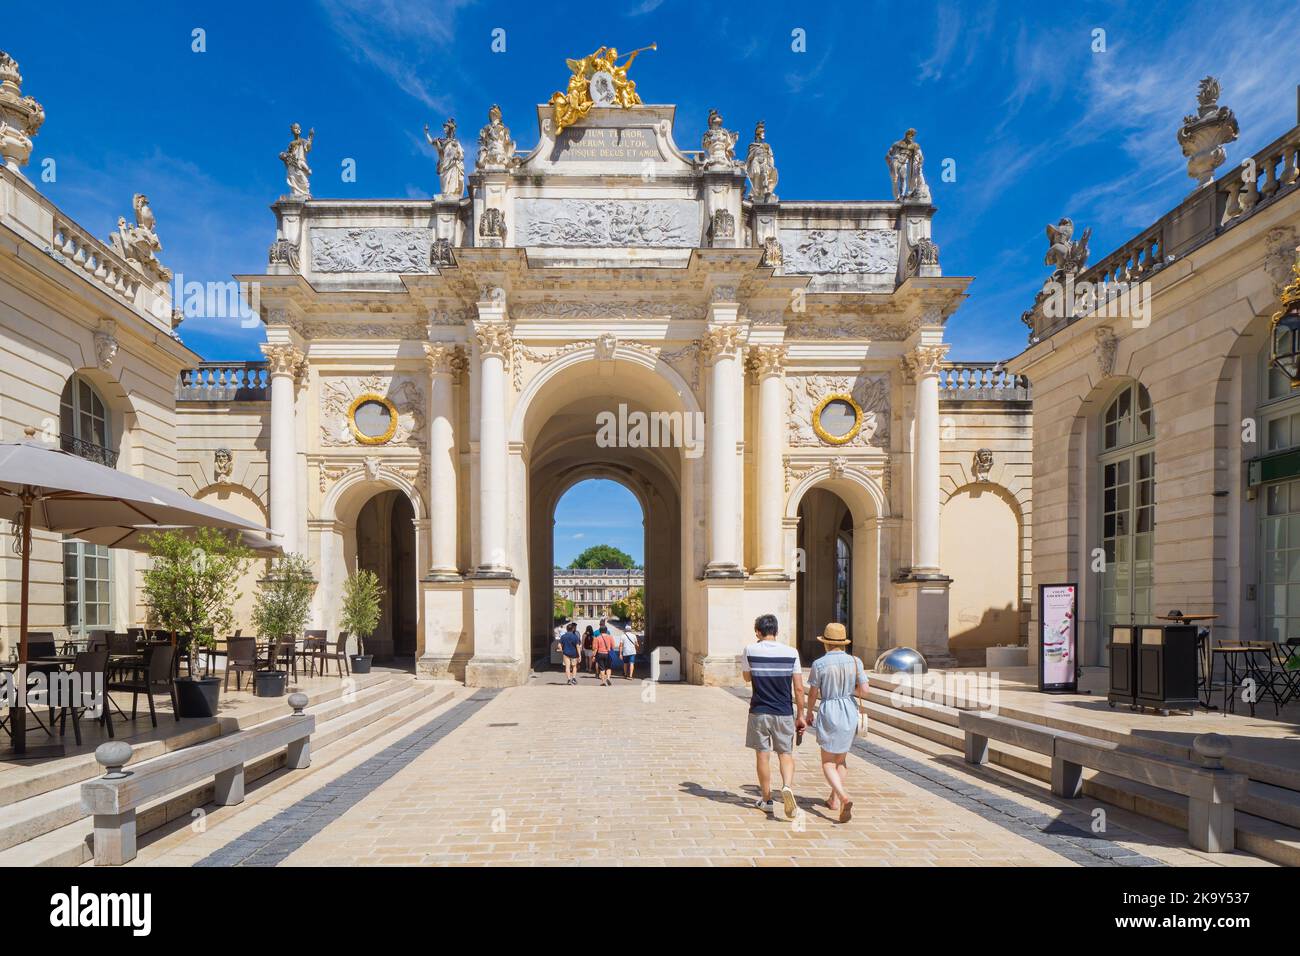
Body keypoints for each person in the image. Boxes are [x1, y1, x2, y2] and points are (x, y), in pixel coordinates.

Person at [800, 622, 869, 823]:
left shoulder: (819, 664)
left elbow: (813, 692)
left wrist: (809, 712)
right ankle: (833, 799)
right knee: (841, 760)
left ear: (826, 643)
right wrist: (847, 691)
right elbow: (865, 691)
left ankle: (842, 796)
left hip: (829, 709)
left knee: (828, 761)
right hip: (849, 709)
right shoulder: (856, 661)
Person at [741, 613, 804, 819]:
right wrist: (801, 714)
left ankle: (766, 799)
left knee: (762, 754)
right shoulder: (791, 652)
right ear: (776, 631)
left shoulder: (750, 650)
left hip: (759, 710)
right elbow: (799, 688)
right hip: (784, 711)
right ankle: (786, 786)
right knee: (785, 754)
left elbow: (746, 677)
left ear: (758, 632)